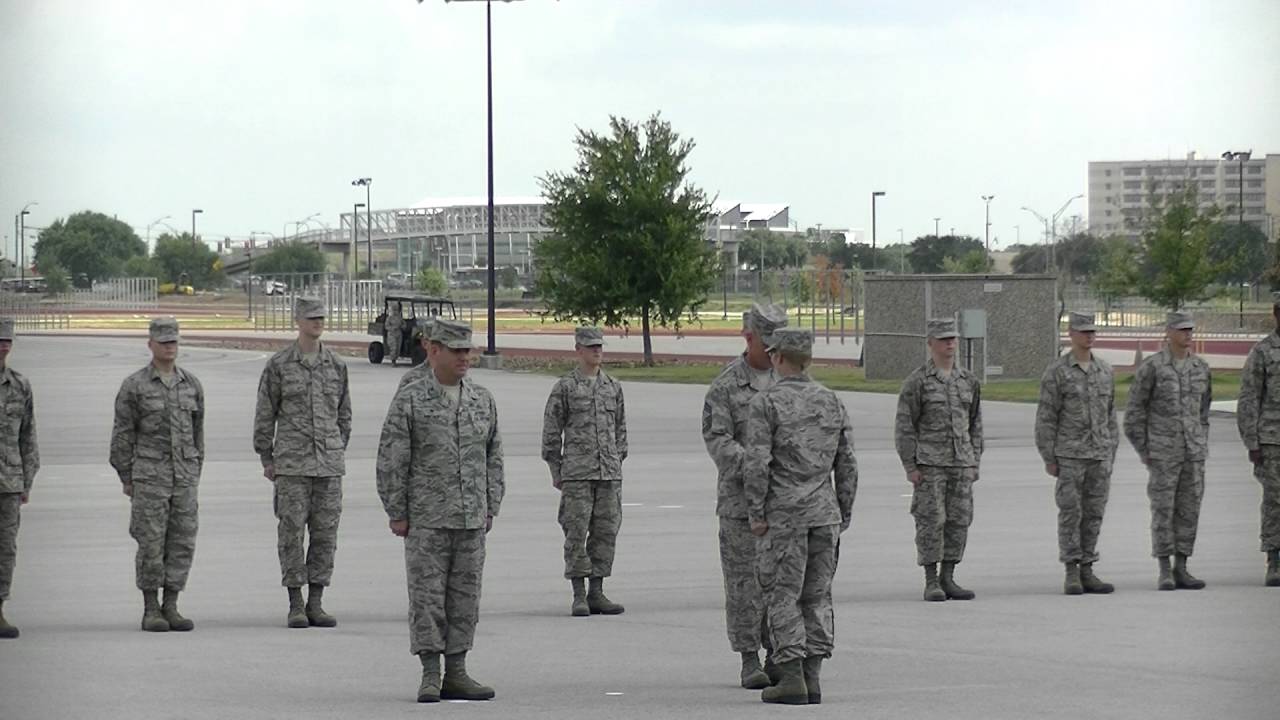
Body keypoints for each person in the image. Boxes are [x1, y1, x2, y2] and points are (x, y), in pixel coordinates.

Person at [376, 318, 504, 703]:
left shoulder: (482, 400)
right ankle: (431, 673)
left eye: (468, 350)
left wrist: (490, 504)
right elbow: (392, 459)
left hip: (470, 518)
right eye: (456, 350)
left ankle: (458, 671)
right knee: (427, 598)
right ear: (436, 352)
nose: (465, 357)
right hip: (427, 519)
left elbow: (493, 456)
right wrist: (396, 510)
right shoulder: (412, 400)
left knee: (465, 598)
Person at [743, 327, 856, 705]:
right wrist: (844, 510)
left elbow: (757, 462)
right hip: (824, 515)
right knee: (818, 596)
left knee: (783, 595)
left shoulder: (766, 403)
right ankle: (813, 676)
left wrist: (756, 512)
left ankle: (791, 676)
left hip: (785, 516)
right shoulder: (832, 401)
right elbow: (848, 464)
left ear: (777, 357)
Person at [701, 301, 788, 689]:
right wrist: (759, 464)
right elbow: (718, 440)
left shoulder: (792, 381)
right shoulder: (726, 386)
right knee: (744, 585)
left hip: (787, 504)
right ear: (748, 336)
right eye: (764, 341)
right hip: (741, 506)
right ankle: (749, 658)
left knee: (784, 583)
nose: (771, 351)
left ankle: (780, 654)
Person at [253, 296, 352, 627]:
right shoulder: (279, 365)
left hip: (328, 466)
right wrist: (267, 456)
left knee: (326, 534)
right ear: (298, 321)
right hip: (292, 465)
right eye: (311, 318)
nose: (317, 322)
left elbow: (344, 415)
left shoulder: (336, 366)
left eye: (321, 317)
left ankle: (317, 601)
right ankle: (295, 602)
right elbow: (265, 414)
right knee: (291, 533)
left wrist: (336, 450)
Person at [109, 317, 204, 632]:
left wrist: (193, 471)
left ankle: (172, 605)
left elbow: (197, 434)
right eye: (164, 342)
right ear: (150, 344)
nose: (170, 347)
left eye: (174, 341)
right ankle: (151, 608)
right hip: (150, 477)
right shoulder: (135, 386)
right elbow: (122, 435)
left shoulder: (191, 384)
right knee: (150, 543)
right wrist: (127, 475)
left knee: (182, 542)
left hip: (184, 478)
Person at [894, 318, 983, 602]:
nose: (950, 344)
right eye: (944, 339)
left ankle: (949, 575)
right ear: (930, 343)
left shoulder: (968, 381)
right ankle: (931, 579)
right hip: (930, 464)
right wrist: (910, 465)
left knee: (958, 521)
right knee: (931, 521)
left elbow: (975, 424)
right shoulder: (918, 381)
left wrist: (974, 461)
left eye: (953, 338)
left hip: (961, 463)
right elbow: (905, 425)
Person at [541, 326, 627, 617]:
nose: (596, 351)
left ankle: (597, 591)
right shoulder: (565, 387)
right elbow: (551, 433)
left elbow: (621, 432)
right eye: (590, 347)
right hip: (577, 473)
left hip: (608, 473)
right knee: (576, 531)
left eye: (599, 346)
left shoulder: (613, 387)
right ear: (578, 350)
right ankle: (578, 593)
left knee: (606, 531)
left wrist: (615, 462)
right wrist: (557, 469)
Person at [1124, 311, 1212, 591]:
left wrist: (1200, 441)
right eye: (1182, 329)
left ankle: (1182, 566)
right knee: (1163, 510)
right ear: (1168, 332)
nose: (1188, 334)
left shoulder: (1200, 368)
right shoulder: (1153, 367)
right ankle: (1164, 568)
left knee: (1189, 510)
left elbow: (1204, 412)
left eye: (1190, 329)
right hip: (1163, 453)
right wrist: (1145, 449)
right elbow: (1134, 413)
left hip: (1192, 454)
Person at [1035, 312, 1119, 595]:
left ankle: (1088, 567)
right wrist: (1049, 456)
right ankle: (1071, 569)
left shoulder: (1105, 371)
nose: (1089, 336)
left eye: (1092, 331)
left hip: (1099, 455)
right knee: (1071, 513)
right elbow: (1046, 417)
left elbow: (1110, 416)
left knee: (1094, 513)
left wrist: (1111, 451)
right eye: (1083, 332)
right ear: (1070, 334)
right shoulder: (1057, 372)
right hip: (1070, 455)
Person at [1237, 293, 1280, 587]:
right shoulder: (1263, 352)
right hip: (1272, 439)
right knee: (1276, 500)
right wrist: (1252, 442)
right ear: (1276, 313)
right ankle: (1274, 558)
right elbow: (1249, 400)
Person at [0, 317, 39, 639]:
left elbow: (28, 436)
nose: (3, 344)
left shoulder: (20, 385)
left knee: (5, 548)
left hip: (9, 481)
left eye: (7, 340)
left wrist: (27, 479)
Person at [386, 301, 405, 366]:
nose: (395, 311)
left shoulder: (400, 318)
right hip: (392, 334)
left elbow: (404, 325)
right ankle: (393, 361)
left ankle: (395, 359)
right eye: (394, 309)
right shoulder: (389, 318)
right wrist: (392, 328)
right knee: (394, 347)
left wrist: (402, 327)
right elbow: (386, 326)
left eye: (396, 309)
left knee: (398, 348)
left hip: (399, 334)